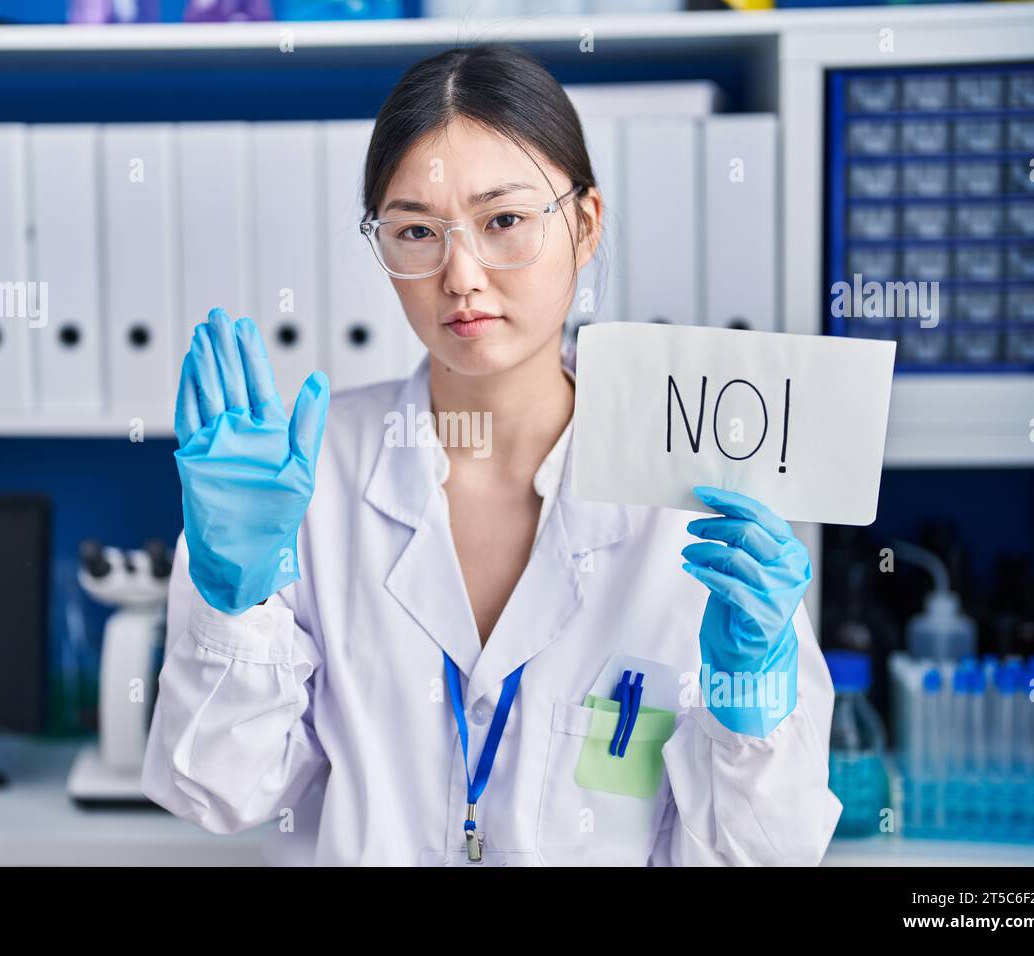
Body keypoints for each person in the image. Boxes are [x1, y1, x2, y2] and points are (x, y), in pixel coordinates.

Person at [142, 42, 843, 866]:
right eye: (415, 230)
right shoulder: (300, 482)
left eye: (504, 221)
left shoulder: (694, 495)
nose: (460, 274)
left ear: (584, 226)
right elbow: (219, 795)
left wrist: (748, 695)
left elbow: (765, 852)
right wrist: (231, 603)